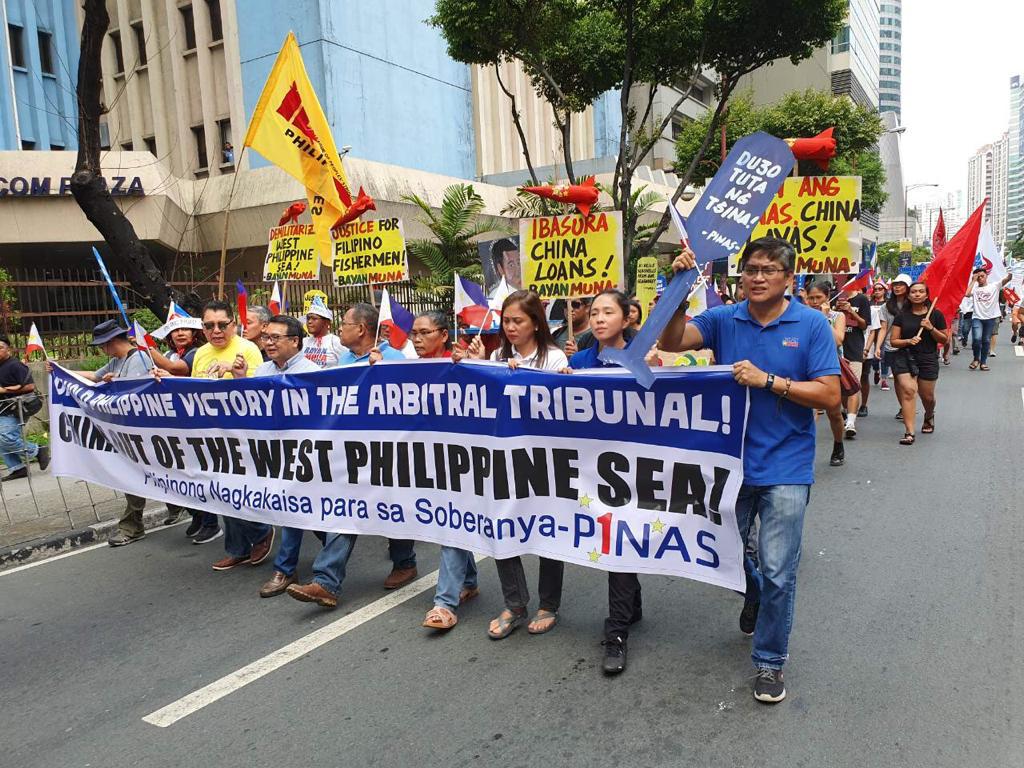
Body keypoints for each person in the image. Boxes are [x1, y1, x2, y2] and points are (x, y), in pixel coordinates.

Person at [659, 237, 841, 703]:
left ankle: (769, 662)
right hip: (729, 465)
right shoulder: (724, 318)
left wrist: (770, 381)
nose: (756, 277)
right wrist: (679, 285)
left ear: (788, 277)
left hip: (787, 466)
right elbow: (671, 341)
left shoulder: (812, 324)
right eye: (750, 270)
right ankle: (753, 592)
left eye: (767, 270)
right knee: (722, 552)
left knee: (781, 570)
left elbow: (829, 395)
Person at [286, 303, 415, 609]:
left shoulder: (394, 358)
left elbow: (411, 402)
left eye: (344, 323)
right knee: (350, 509)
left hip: (390, 450)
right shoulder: (343, 359)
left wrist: (383, 372)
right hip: (352, 452)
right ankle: (327, 581)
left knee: (392, 510)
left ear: (360, 329)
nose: (339, 328)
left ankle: (405, 561)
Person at [455, 291, 569, 637]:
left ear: (536, 322)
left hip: (545, 461)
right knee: (502, 526)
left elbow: (560, 408)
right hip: (503, 460)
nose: (510, 327)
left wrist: (534, 381)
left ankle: (548, 604)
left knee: (548, 531)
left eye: (517, 320)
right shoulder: (496, 356)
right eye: (506, 321)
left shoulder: (553, 357)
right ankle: (515, 604)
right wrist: (476, 366)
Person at [566, 289, 662, 674]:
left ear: (627, 319)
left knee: (617, 544)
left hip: (635, 469)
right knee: (614, 543)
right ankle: (631, 606)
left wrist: (656, 375)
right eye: (594, 313)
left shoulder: (643, 359)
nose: (599, 319)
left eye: (608, 312)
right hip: (592, 470)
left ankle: (616, 632)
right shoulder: (578, 361)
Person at [229, 315, 327, 598]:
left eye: (275, 338)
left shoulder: (311, 372)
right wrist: (241, 380)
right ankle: (335, 540)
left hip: (303, 454)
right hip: (272, 454)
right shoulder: (261, 371)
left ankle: (285, 568)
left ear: (294, 341)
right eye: (265, 337)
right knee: (311, 515)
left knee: (292, 507)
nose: (268, 343)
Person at [410, 311, 482, 630]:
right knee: (452, 522)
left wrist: (471, 366)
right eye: (413, 333)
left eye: (424, 333)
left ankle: (444, 603)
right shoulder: (404, 368)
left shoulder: (462, 364)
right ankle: (467, 580)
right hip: (428, 460)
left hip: (464, 460)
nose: (416, 339)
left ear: (443, 335)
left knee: (453, 521)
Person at [189, 301, 274, 566]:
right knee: (220, 492)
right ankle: (237, 549)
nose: (216, 331)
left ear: (233, 324)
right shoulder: (200, 354)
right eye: (209, 325)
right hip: (213, 435)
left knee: (236, 491)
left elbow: (262, 391)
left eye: (222, 325)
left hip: (244, 435)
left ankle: (261, 533)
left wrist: (236, 373)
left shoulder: (248, 349)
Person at [55, 320, 152, 545]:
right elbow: (93, 376)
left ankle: (131, 527)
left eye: (101, 345)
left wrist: (114, 383)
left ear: (109, 343)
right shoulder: (116, 362)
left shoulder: (138, 359)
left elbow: (135, 392)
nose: (101, 349)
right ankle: (175, 506)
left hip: (139, 430)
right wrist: (61, 371)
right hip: (124, 430)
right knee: (146, 475)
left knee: (135, 476)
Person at [149, 324, 204, 526]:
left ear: (194, 333)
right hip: (174, 423)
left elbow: (175, 369)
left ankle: (208, 522)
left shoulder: (195, 353)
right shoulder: (169, 354)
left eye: (185, 329)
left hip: (194, 423)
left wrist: (147, 347)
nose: (180, 333)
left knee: (197, 473)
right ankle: (196, 515)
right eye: (175, 330)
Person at [889, 282, 947, 444]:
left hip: (927, 358)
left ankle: (929, 415)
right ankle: (909, 432)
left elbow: (944, 339)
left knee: (927, 396)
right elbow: (894, 341)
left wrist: (930, 328)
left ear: (927, 295)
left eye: (921, 291)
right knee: (908, 391)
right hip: (904, 356)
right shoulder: (901, 316)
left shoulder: (935, 315)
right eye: (913, 292)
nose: (917, 294)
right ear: (908, 296)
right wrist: (908, 341)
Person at [804, 282, 847, 467]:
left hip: (829, 367)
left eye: (818, 298)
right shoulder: (801, 317)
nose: (814, 301)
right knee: (809, 410)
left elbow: (837, 341)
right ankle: (805, 451)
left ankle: (838, 443)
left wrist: (823, 319)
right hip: (805, 368)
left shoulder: (838, 316)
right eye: (811, 298)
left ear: (827, 297)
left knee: (834, 413)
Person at [0, 334, 50, 481]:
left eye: (0, 348)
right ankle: (17, 468)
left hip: (16, 408)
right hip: (3, 408)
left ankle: (38, 451)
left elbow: (29, 386)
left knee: (6, 437)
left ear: (8, 349)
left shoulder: (15, 365)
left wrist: (5, 390)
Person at [835, 283, 870, 438]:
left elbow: (864, 325)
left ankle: (850, 422)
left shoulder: (862, 300)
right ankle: (846, 411)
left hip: (854, 347)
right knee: (841, 388)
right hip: (835, 349)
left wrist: (850, 311)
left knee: (853, 385)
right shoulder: (832, 297)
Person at [968, 267, 1011, 371]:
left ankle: (983, 362)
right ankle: (976, 359)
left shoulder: (994, 286)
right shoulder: (974, 287)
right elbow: (967, 294)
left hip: (990, 318)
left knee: (986, 340)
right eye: (978, 277)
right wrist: (973, 280)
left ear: (987, 276)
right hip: (977, 317)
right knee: (977, 340)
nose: (980, 278)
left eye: (982, 276)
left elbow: (1007, 279)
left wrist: (1011, 273)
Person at [881, 275, 911, 409]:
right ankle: (904, 408)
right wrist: (878, 346)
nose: (897, 287)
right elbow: (883, 327)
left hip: (912, 345)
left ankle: (909, 404)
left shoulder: (914, 304)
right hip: (891, 346)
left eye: (901, 284)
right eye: (895, 284)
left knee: (910, 381)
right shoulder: (886, 306)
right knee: (899, 380)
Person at [859, 282, 888, 415]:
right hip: (849, 348)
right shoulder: (843, 309)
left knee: (864, 376)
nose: (877, 291)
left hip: (875, 341)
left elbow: (874, 330)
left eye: (880, 289)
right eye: (875, 289)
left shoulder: (883, 306)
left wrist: (867, 348)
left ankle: (863, 405)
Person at [302, 299, 346, 368]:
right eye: (308, 318)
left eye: (314, 318)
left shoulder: (335, 342)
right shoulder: (303, 342)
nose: (309, 322)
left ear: (326, 322)